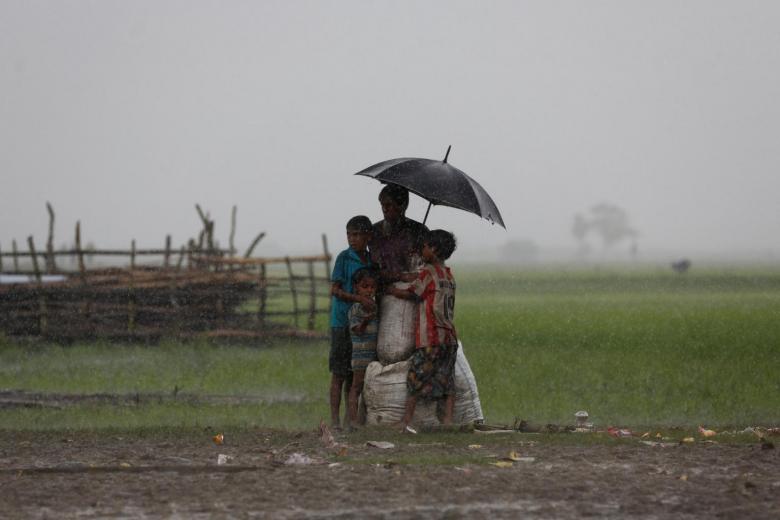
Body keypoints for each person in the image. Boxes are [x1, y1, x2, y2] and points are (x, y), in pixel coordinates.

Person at [387, 229, 459, 432]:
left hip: (431, 336)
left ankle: (407, 420)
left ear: (434, 250)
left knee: (415, 377)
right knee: (447, 380)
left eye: (425, 246)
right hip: (449, 337)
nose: (422, 249)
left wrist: (392, 290)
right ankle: (447, 419)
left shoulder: (429, 273)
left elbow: (413, 293)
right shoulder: (449, 275)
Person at [328, 215, 375, 430]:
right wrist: (359, 299)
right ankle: (335, 421)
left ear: (368, 236)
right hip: (341, 323)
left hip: (361, 326)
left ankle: (350, 420)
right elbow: (334, 290)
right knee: (339, 373)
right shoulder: (343, 258)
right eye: (349, 234)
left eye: (356, 234)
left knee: (355, 375)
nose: (352, 239)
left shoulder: (371, 260)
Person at [370, 185, 429, 284]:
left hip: (414, 291)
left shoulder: (419, 231)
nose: (384, 209)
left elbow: (427, 266)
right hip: (383, 291)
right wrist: (400, 276)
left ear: (403, 205)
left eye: (388, 205)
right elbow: (373, 267)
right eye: (382, 205)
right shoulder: (375, 231)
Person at [346, 268, 379, 429]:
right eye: (365, 287)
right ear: (356, 288)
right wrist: (366, 321)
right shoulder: (355, 309)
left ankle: (363, 420)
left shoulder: (377, 307)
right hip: (360, 357)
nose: (369, 291)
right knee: (356, 387)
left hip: (373, 356)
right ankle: (353, 421)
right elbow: (358, 331)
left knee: (370, 389)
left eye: (372, 287)